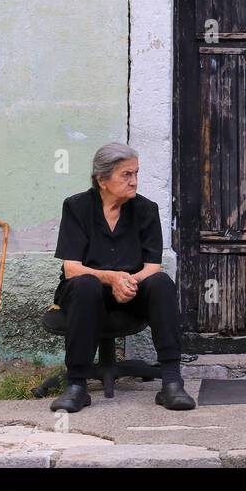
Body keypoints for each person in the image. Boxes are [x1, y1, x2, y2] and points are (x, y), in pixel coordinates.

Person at [49, 143, 195, 413]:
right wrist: (111, 278)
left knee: (161, 283)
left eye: (136, 173)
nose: (134, 181)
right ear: (102, 180)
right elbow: (72, 268)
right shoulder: (76, 207)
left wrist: (127, 283)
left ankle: (172, 382)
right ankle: (77, 385)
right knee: (85, 284)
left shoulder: (146, 210)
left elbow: (153, 266)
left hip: (131, 292)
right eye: (126, 175)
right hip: (86, 294)